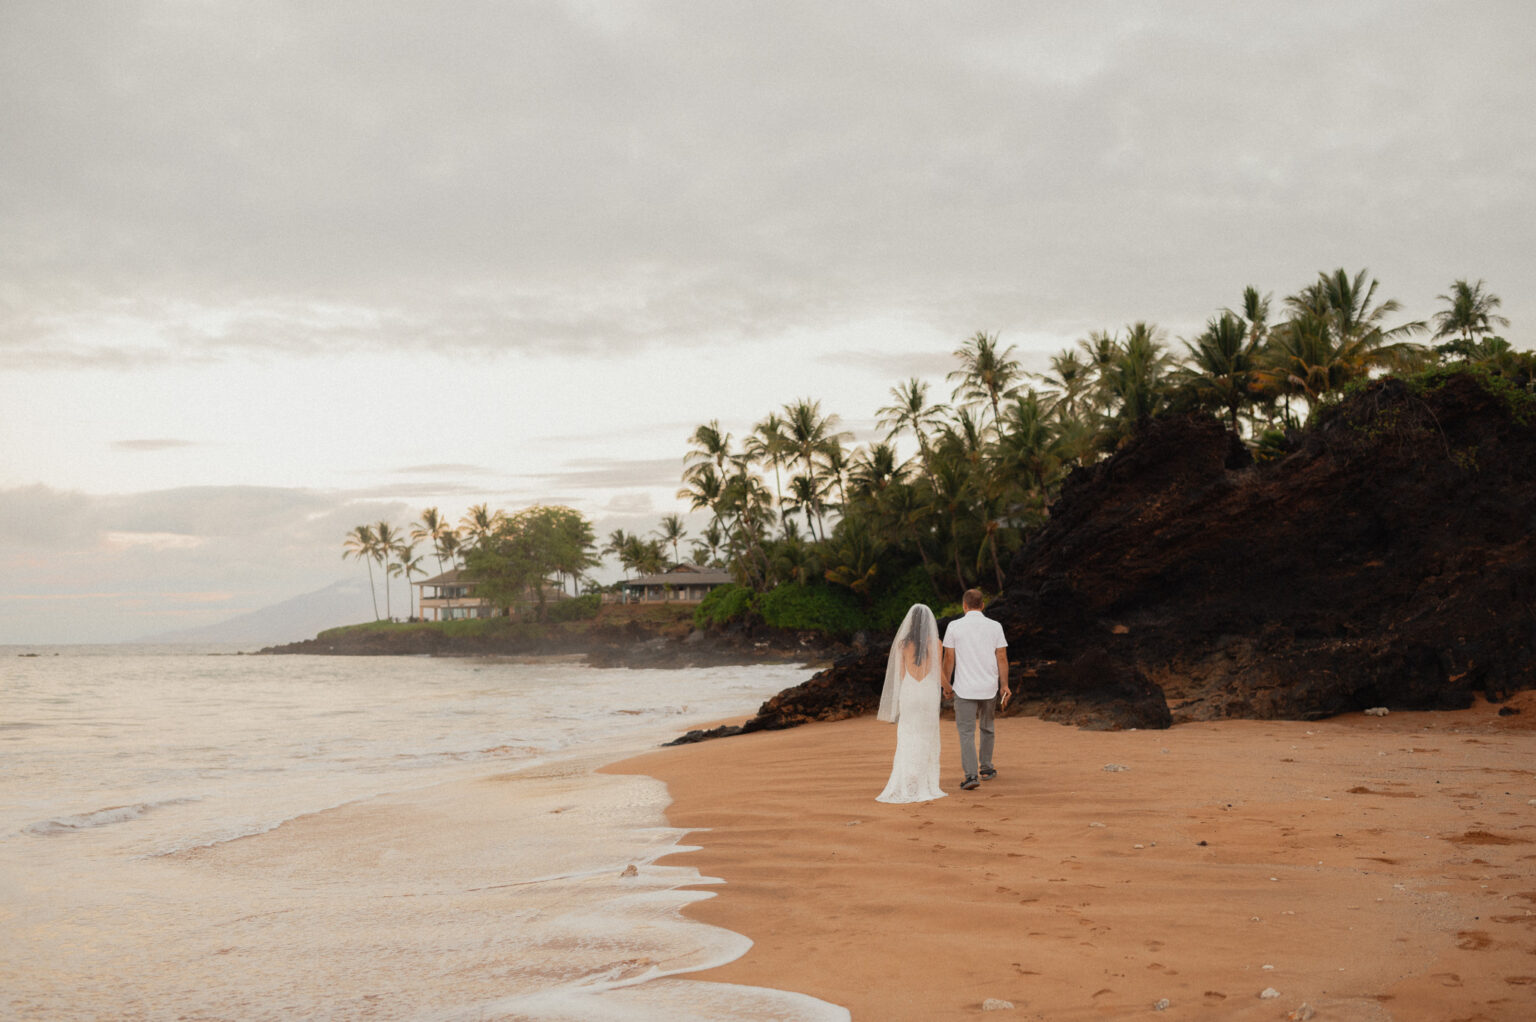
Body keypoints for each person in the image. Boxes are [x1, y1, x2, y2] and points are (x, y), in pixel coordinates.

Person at [875, 604, 946, 803]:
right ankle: (923, 780)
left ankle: (908, 778)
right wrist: (949, 688)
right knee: (926, 735)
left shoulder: (902, 644)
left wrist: (901, 698)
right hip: (927, 692)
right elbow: (938, 674)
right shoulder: (936, 643)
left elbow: (901, 674)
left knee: (907, 734)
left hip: (909, 691)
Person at [941, 589, 1010, 791]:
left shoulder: (954, 626)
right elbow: (1002, 657)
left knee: (966, 732)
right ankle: (987, 768)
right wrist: (1004, 685)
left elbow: (949, 658)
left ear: (964, 605)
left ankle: (971, 775)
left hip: (964, 689)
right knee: (987, 728)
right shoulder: (995, 626)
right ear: (982, 605)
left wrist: (947, 684)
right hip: (989, 687)